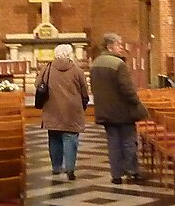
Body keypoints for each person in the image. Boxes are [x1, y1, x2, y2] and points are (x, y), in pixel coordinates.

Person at [90, 33, 148, 185]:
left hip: (105, 110)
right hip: (122, 111)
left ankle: (116, 175)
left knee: (113, 143)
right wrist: (136, 102)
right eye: (119, 45)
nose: (121, 48)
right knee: (129, 141)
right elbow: (127, 89)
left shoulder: (95, 63)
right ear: (110, 46)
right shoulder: (118, 64)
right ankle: (132, 171)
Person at [40, 44, 89, 180]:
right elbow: (84, 90)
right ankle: (70, 169)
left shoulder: (47, 68)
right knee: (70, 138)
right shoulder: (77, 70)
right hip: (72, 110)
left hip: (52, 108)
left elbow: (38, 84)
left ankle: (56, 167)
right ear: (70, 54)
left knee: (54, 137)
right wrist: (83, 104)